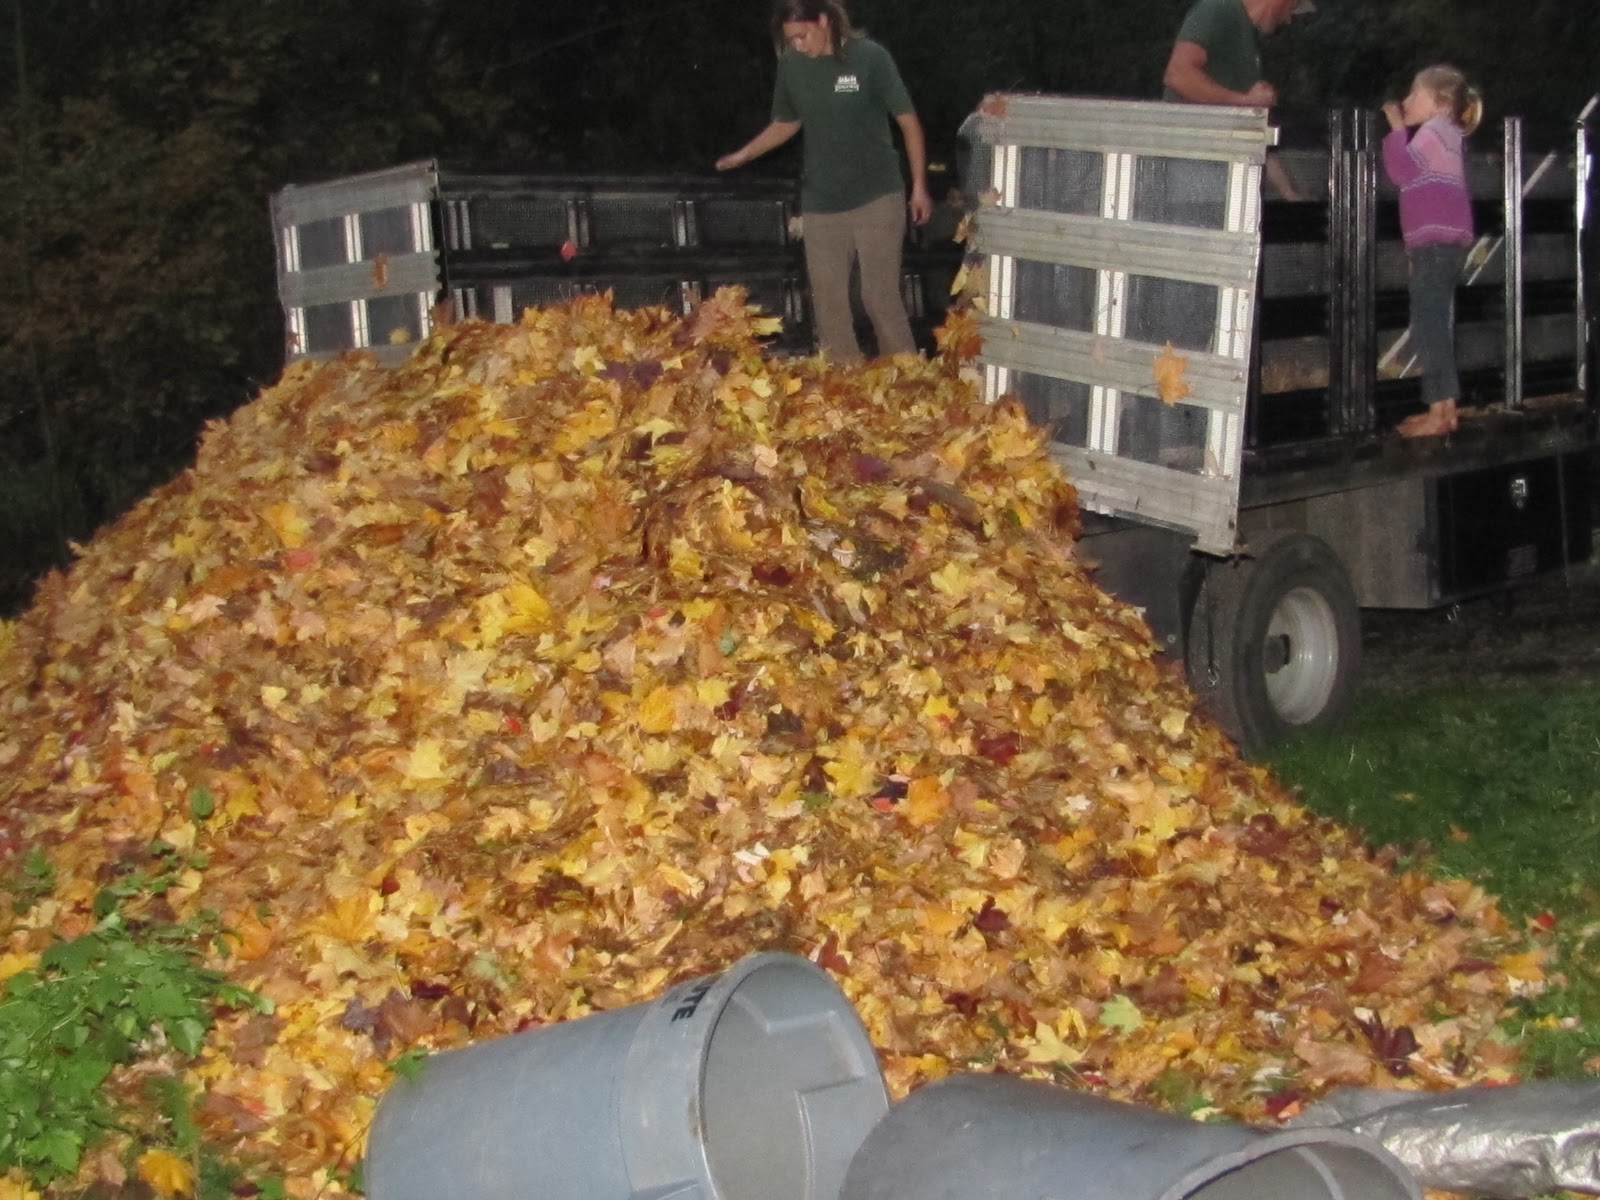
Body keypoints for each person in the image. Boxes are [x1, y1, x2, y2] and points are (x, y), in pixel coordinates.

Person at [717, 0, 932, 361]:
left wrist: (920, 186)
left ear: (823, 21)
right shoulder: (792, 65)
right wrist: (744, 155)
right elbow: (787, 121)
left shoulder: (870, 58)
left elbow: (908, 122)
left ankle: (906, 376)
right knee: (828, 301)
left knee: (878, 296)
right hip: (821, 200)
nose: (797, 45)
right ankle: (843, 383)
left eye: (801, 36)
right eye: (790, 40)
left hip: (876, 194)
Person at [1381, 65, 1481, 437]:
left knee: (1430, 327)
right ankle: (1443, 408)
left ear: (1439, 103)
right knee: (1433, 324)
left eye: (1414, 94)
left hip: (1436, 247)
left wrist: (1395, 128)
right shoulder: (1450, 134)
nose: (1406, 101)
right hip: (1441, 247)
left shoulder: (1436, 132)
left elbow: (1400, 170)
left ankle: (1440, 414)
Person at [1162, 0, 1314, 200]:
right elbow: (1178, 75)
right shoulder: (1219, 9)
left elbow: (1254, 132)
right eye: (1291, 8)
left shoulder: (1248, 42)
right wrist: (1246, 100)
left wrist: (1288, 193)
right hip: (1190, 164)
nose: (1287, 20)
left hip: (1221, 168)